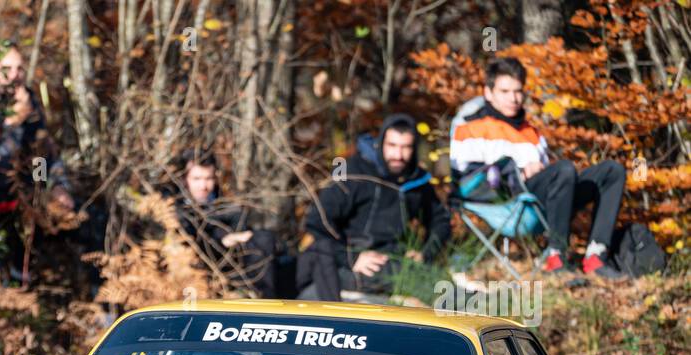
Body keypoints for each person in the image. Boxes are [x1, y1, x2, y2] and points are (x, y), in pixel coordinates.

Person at [451, 56, 626, 279]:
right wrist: (518, 175)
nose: (513, 98)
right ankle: (556, 255)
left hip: (545, 200)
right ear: (488, 92)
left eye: (518, 91)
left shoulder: (531, 132)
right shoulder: (470, 128)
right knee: (563, 169)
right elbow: (467, 183)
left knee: (611, 170)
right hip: (508, 202)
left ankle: (596, 256)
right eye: (505, 91)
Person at [0, 42, 104, 287]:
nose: (15, 76)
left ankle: (99, 303)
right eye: (7, 69)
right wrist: (15, 122)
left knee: (93, 220)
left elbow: (42, 154)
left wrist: (55, 186)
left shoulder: (29, 101)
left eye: (20, 69)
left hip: (27, 201)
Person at [298, 114, 451, 301]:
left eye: (406, 147)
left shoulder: (418, 181)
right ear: (381, 144)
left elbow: (440, 221)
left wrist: (425, 253)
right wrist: (351, 258)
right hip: (351, 263)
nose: (398, 155)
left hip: (395, 259)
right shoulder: (352, 170)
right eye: (392, 146)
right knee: (430, 285)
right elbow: (318, 220)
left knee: (431, 280)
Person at [172, 150, 285, 298]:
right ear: (185, 179)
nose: (203, 186)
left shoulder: (226, 206)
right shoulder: (176, 210)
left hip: (235, 262)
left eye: (208, 179)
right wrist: (223, 241)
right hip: (203, 269)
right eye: (197, 179)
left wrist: (233, 238)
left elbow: (241, 231)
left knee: (264, 240)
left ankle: (264, 301)